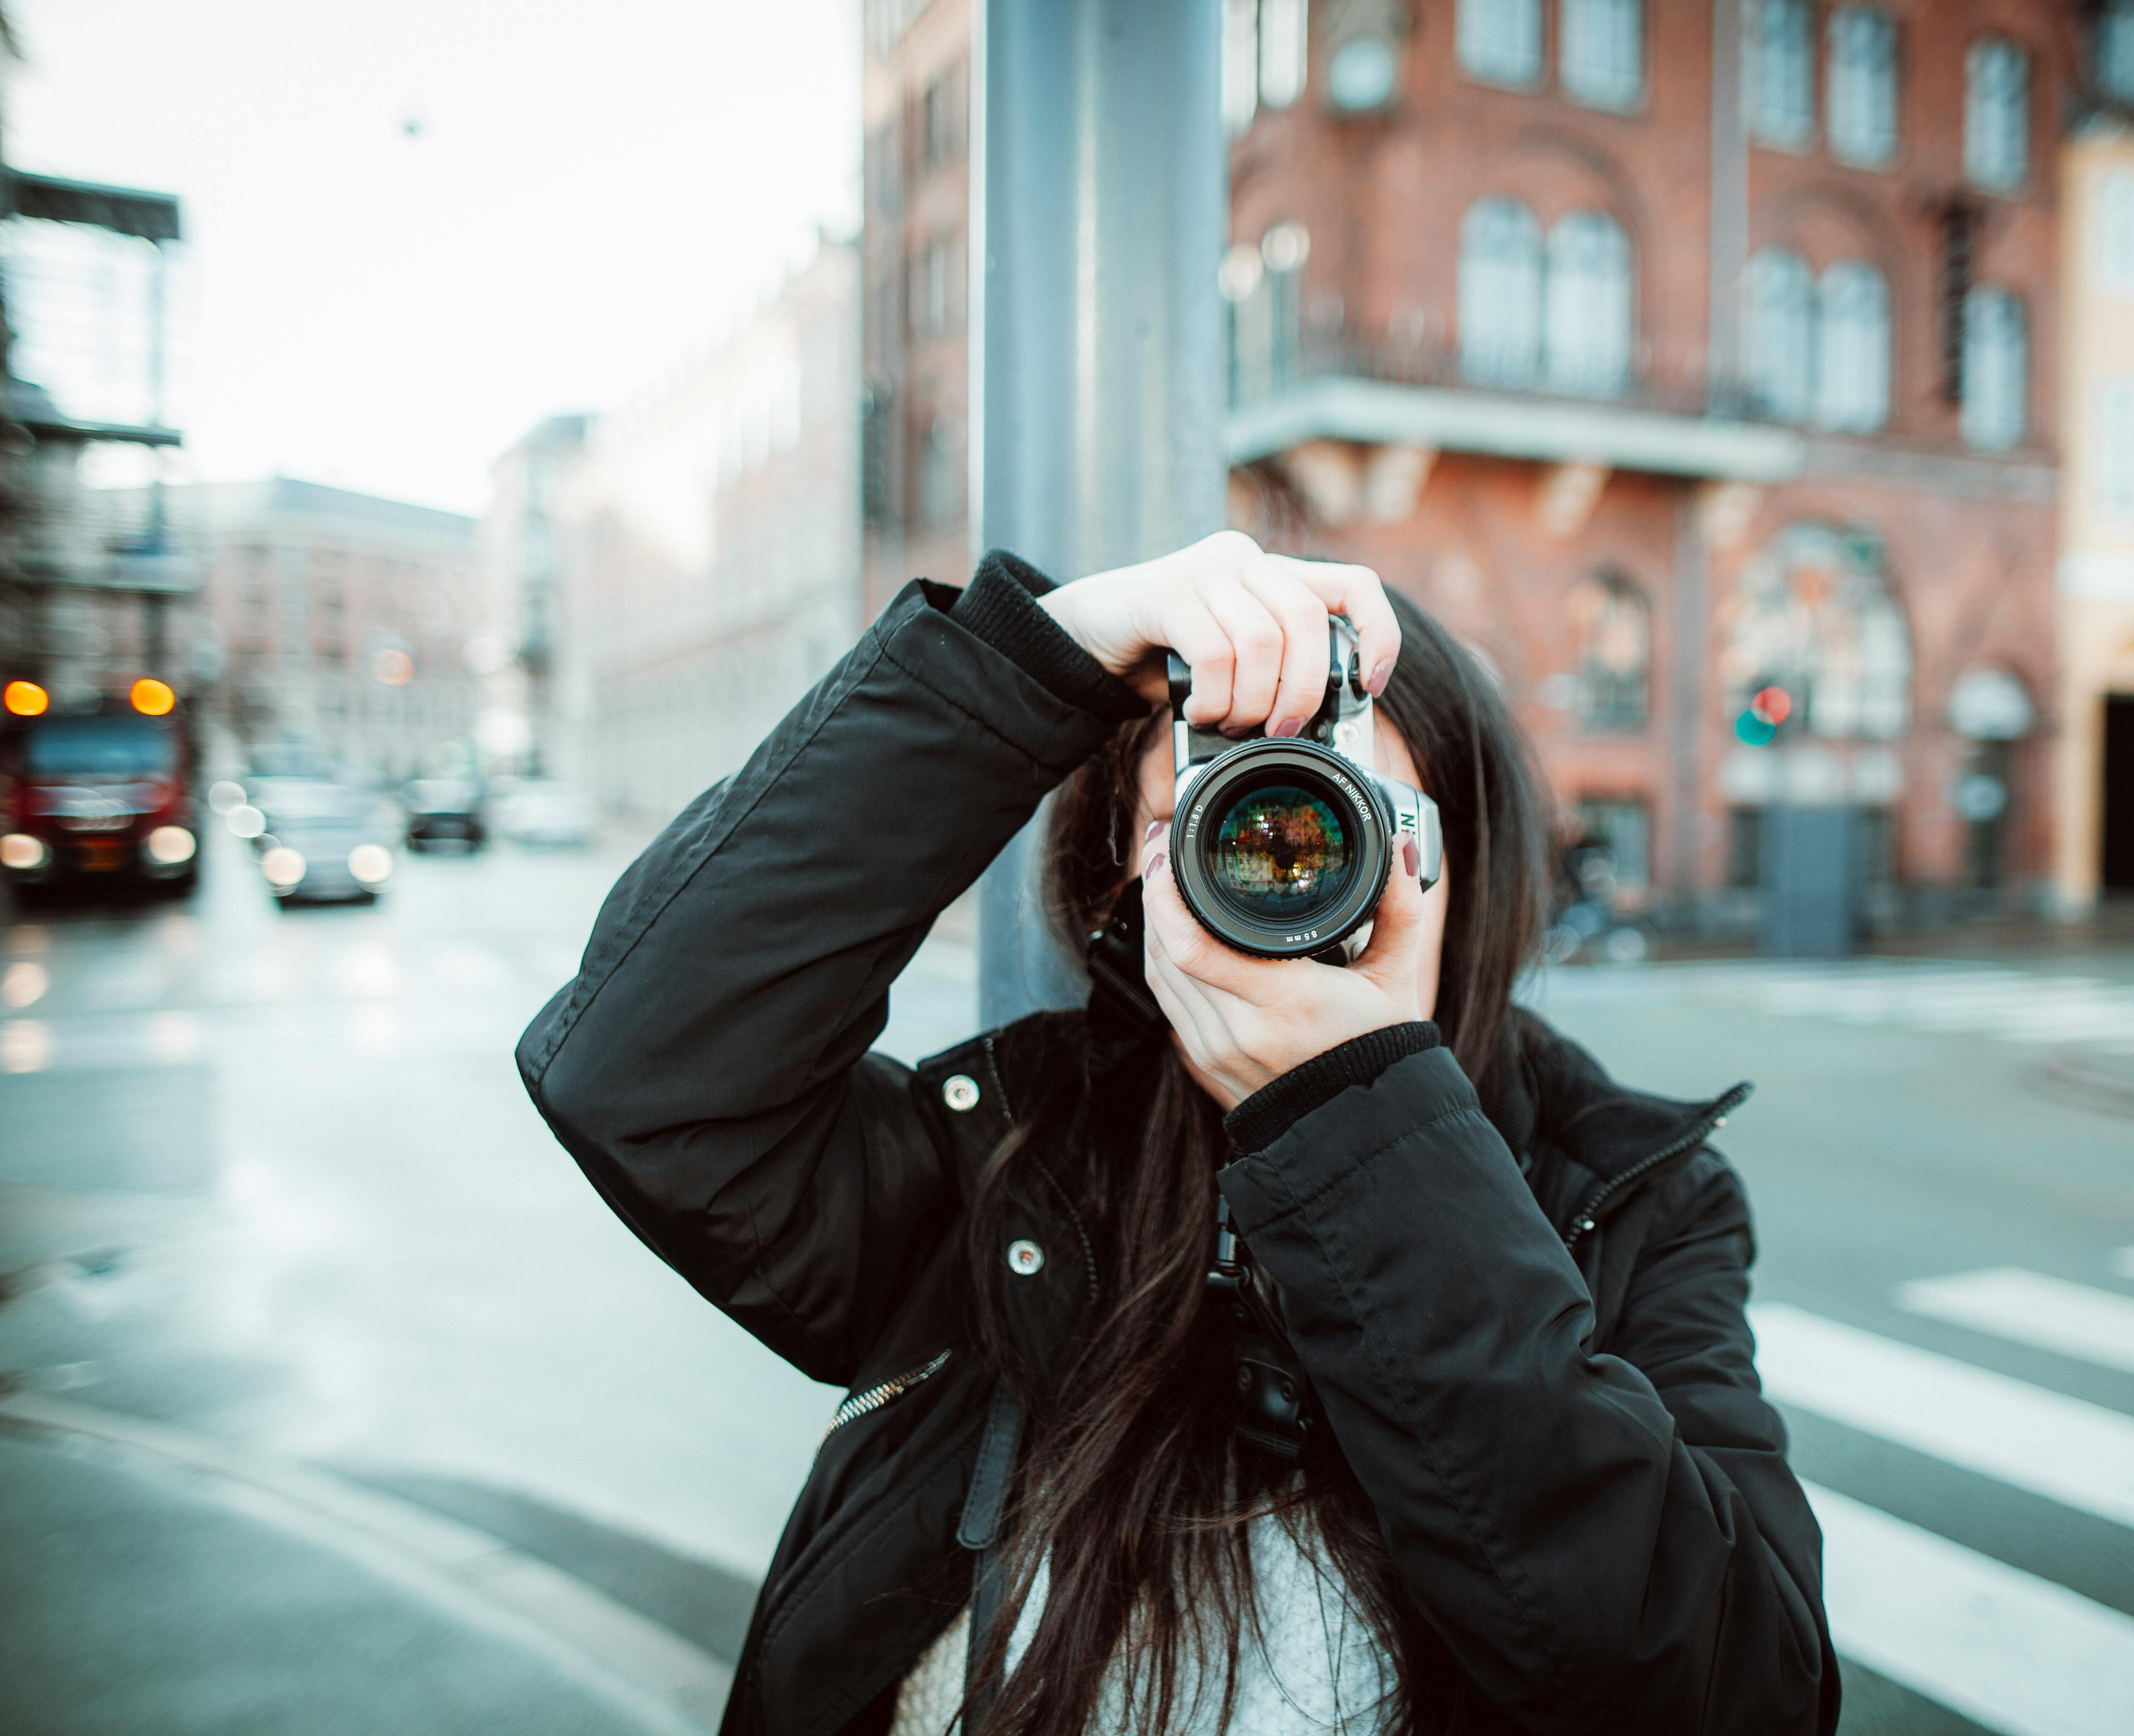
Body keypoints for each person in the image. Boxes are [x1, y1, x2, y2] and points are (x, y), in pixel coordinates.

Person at [518, 534, 1837, 1736]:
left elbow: (1738, 1697)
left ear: (1450, 862)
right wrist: (1040, 655)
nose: (1285, 868)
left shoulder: (1636, 1203)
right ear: (1122, 877)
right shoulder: (1008, 1157)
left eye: (1340, 825)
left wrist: (1365, 1119)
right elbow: (648, 1075)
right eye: (1220, 823)